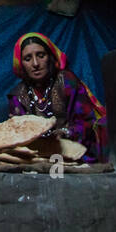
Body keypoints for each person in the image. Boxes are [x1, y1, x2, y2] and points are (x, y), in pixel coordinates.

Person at [7, 32, 107, 163]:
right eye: (27, 58)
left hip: (75, 152)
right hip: (37, 157)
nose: (35, 63)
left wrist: (66, 133)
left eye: (41, 55)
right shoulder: (17, 95)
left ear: (50, 57)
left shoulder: (67, 82)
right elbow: (20, 135)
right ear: (21, 64)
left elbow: (86, 121)